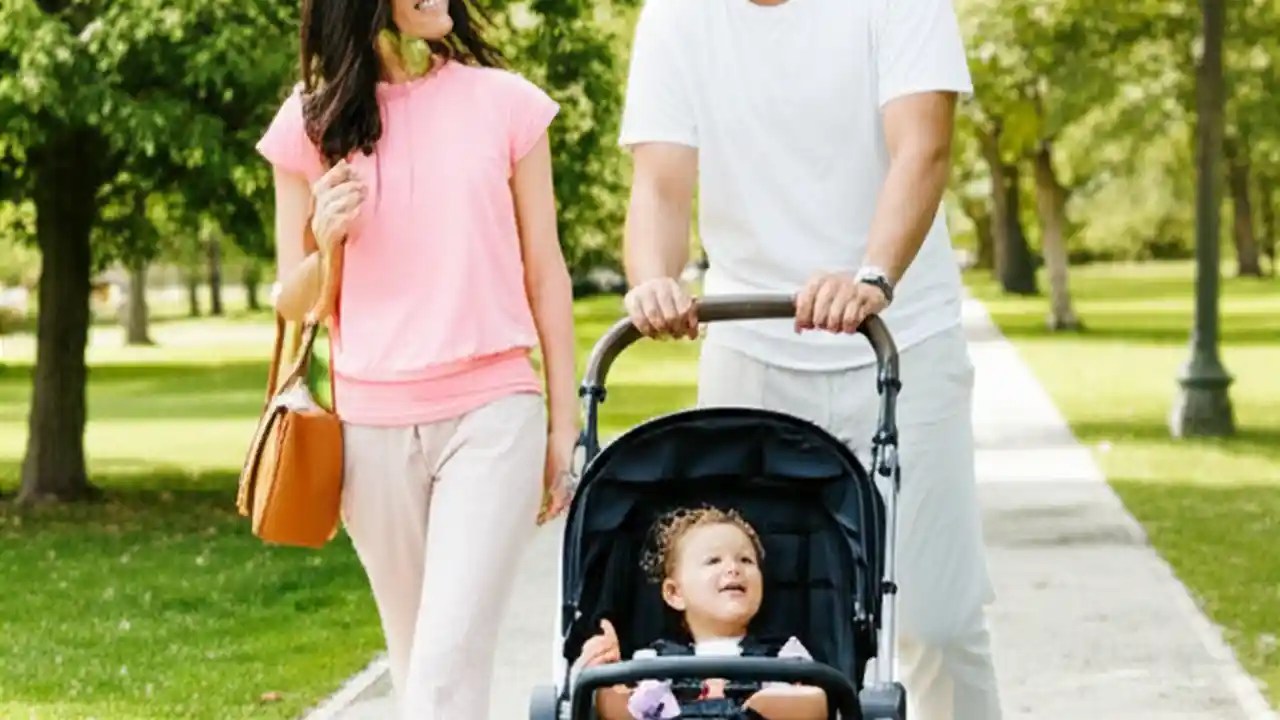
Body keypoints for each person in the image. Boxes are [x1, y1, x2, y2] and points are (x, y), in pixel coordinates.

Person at [615, 1, 1002, 718]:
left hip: (901, 342)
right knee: (766, 617)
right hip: (752, 348)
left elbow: (924, 148)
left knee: (937, 623)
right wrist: (653, 282)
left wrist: (871, 277)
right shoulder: (677, 17)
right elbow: (661, 182)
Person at [255, 0, 578, 716]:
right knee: (417, 665)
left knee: (443, 663)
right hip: (371, 428)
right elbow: (295, 300)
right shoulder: (309, 125)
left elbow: (546, 273)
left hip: (495, 416)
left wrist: (565, 421)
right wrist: (325, 236)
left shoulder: (507, 105)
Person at [575, 507, 827, 720]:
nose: (733, 568)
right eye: (713, 561)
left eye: (746, 560)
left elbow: (817, 706)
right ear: (675, 593)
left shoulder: (783, 657)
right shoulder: (654, 663)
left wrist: (758, 707)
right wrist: (604, 676)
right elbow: (625, 714)